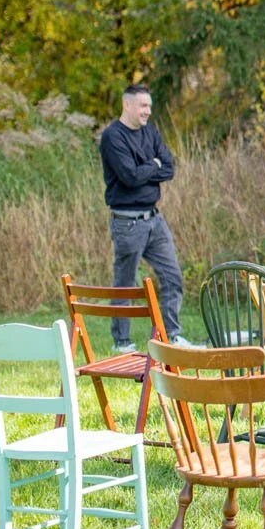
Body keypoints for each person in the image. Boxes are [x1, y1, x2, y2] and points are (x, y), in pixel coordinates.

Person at [100, 84, 194, 351]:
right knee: (125, 284)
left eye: (149, 107)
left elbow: (169, 169)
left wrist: (148, 169)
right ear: (127, 105)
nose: (147, 112)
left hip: (154, 219)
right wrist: (153, 164)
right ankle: (121, 341)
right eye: (143, 106)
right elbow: (128, 177)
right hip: (127, 222)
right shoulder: (112, 137)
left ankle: (171, 337)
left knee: (173, 276)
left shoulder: (150, 132)